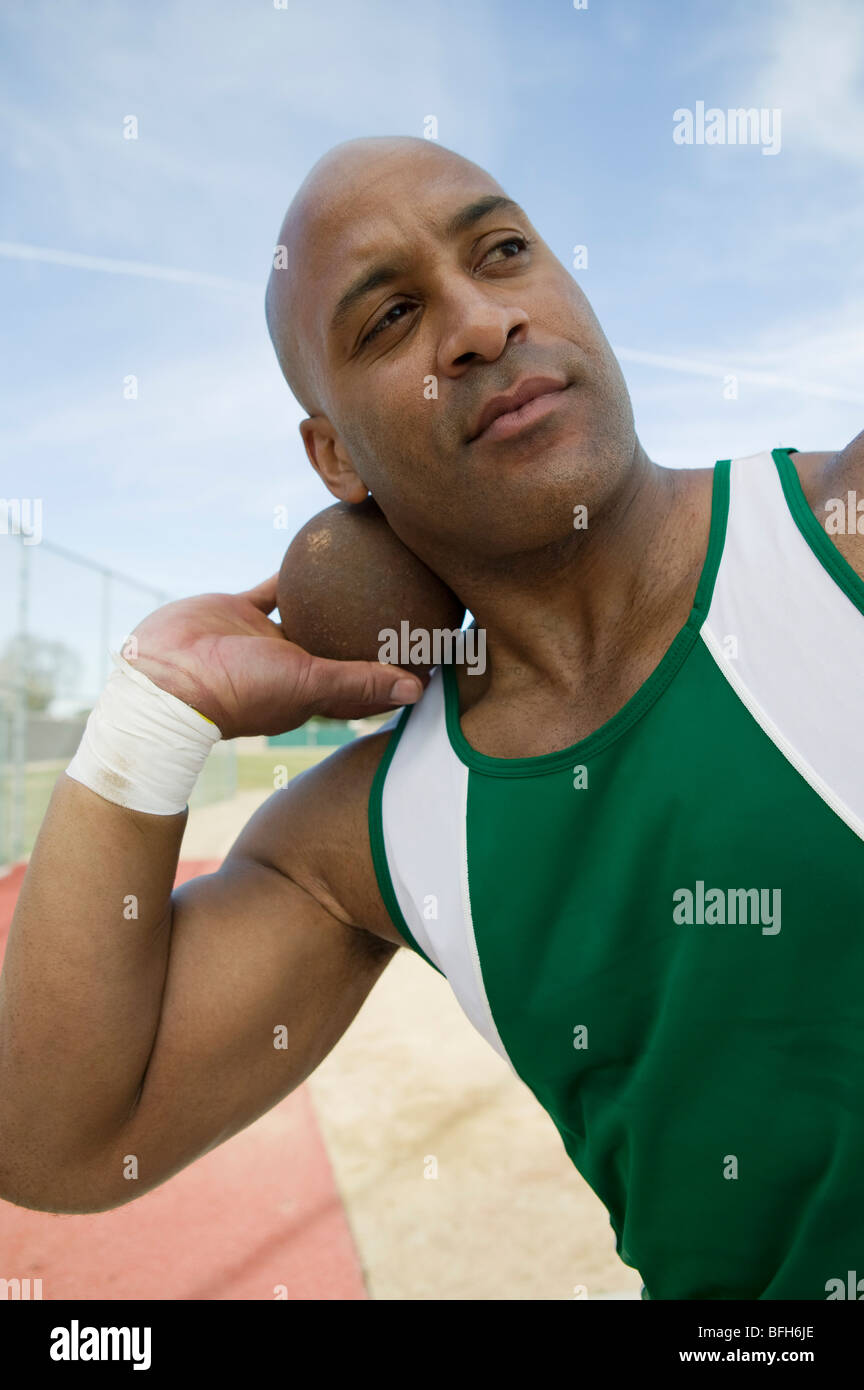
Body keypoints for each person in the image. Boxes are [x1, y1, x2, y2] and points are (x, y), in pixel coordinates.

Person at [1, 135, 862, 1302]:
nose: (478, 323)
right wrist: (155, 711)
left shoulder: (836, 538)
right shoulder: (378, 826)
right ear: (334, 457)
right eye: (390, 320)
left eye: (503, 251)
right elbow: (62, 1138)